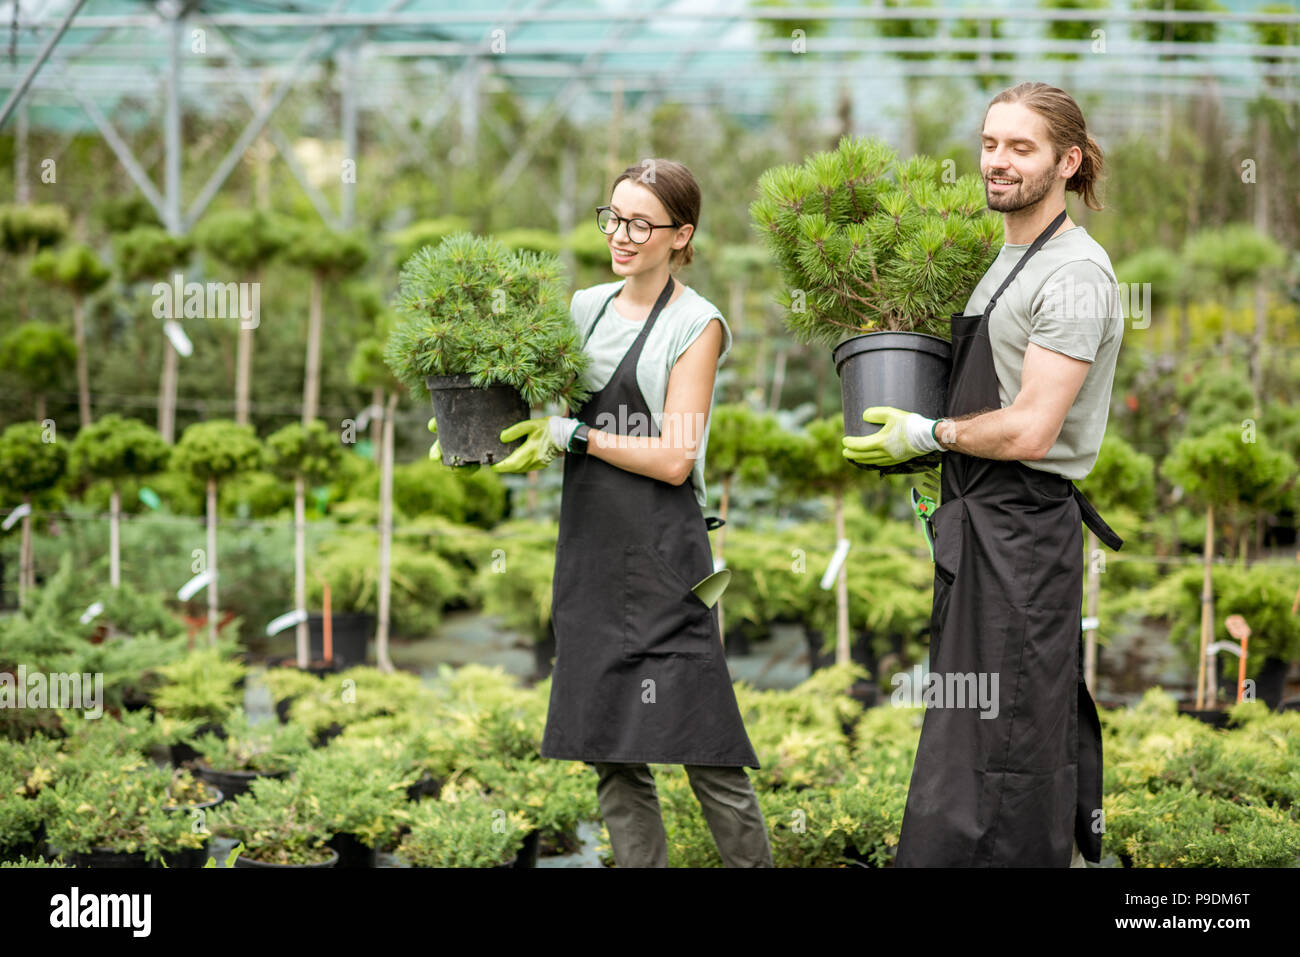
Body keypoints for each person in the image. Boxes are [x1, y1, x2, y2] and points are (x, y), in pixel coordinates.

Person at [440, 159, 772, 868]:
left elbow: (675, 456)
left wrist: (574, 435)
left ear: (681, 234)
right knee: (610, 748)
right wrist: (474, 418)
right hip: (591, 554)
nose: (621, 235)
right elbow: (525, 390)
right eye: (613, 217)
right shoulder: (583, 308)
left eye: (640, 223)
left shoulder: (697, 323)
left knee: (705, 744)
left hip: (668, 558)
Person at [841, 82, 1125, 867]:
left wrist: (929, 430)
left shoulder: (1073, 274)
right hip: (979, 523)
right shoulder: (1006, 257)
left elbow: (1034, 425)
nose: (998, 161)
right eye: (991, 142)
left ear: (1067, 161)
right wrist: (937, 467)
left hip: (1023, 536)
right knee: (966, 741)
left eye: (1021, 147)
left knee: (1008, 754)